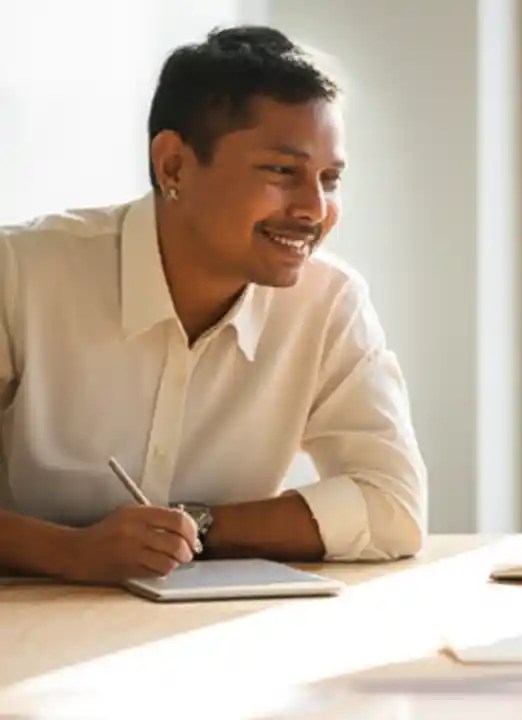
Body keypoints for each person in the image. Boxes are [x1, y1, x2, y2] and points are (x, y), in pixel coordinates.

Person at [0, 26, 427, 583]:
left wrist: (194, 527)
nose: (314, 208)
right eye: (282, 171)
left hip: (207, 633)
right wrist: (72, 552)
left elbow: (392, 506)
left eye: (330, 179)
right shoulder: (22, 272)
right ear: (173, 165)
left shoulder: (329, 303)